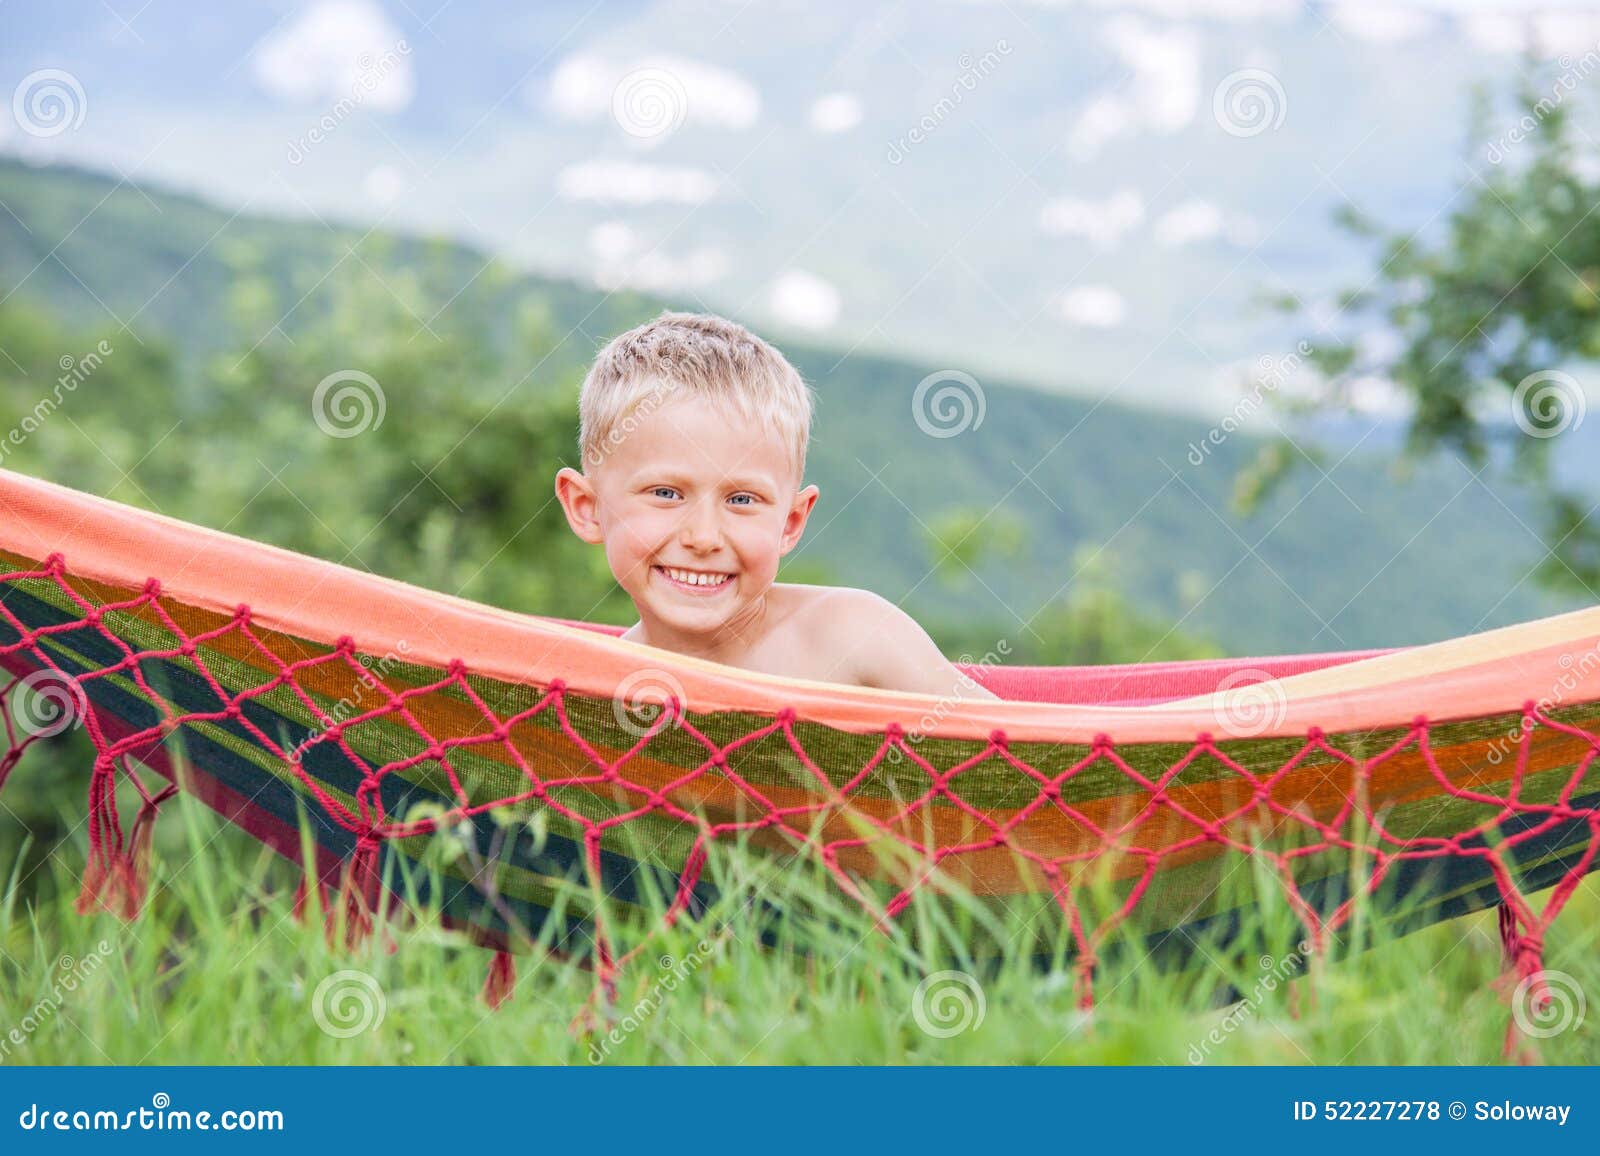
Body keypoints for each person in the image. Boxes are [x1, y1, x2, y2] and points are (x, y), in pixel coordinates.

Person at [554, 311, 996, 699]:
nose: (703, 537)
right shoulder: (588, 690)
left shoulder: (854, 636)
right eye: (666, 494)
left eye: (742, 499)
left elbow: (1025, 760)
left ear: (790, 521)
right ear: (587, 507)